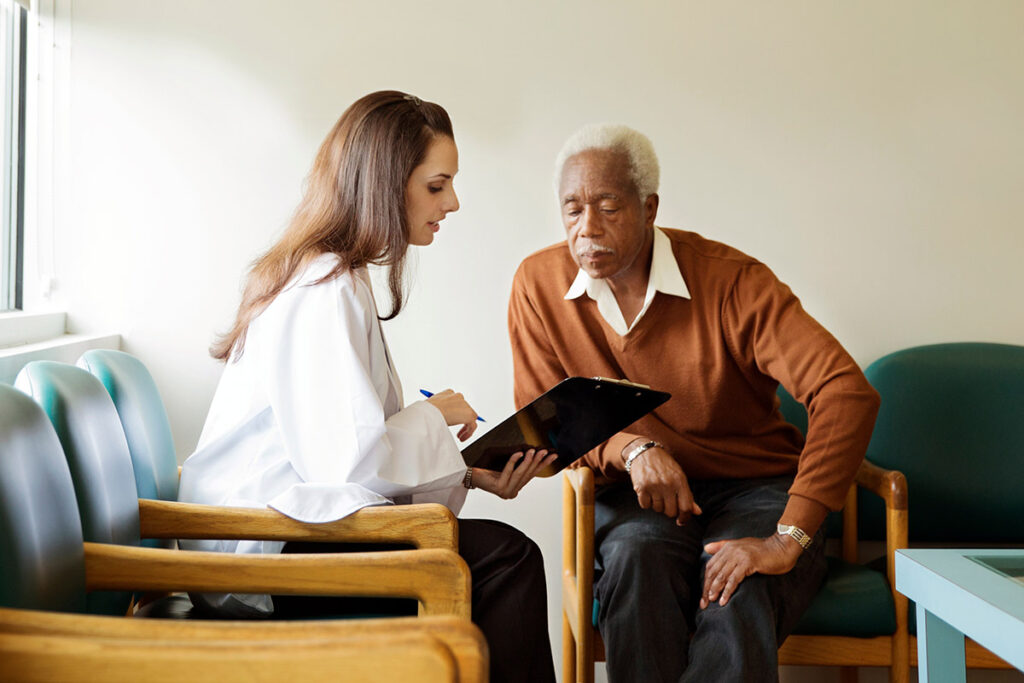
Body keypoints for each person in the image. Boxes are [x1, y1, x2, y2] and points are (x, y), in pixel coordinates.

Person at [178, 90, 556, 683]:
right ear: (385, 183)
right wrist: (437, 421)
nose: (452, 202)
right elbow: (347, 465)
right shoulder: (324, 289)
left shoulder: (332, 278)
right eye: (437, 186)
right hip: (258, 554)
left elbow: (345, 456)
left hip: (281, 534)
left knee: (497, 554)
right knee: (506, 559)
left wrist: (464, 471)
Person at [508, 124, 880, 682]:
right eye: (573, 209)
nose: (587, 230)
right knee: (637, 563)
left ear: (649, 206)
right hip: (637, 499)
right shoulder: (538, 285)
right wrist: (633, 449)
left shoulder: (732, 282)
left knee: (738, 585)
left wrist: (788, 538)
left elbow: (845, 392)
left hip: (756, 490)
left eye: (608, 207)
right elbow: (547, 427)